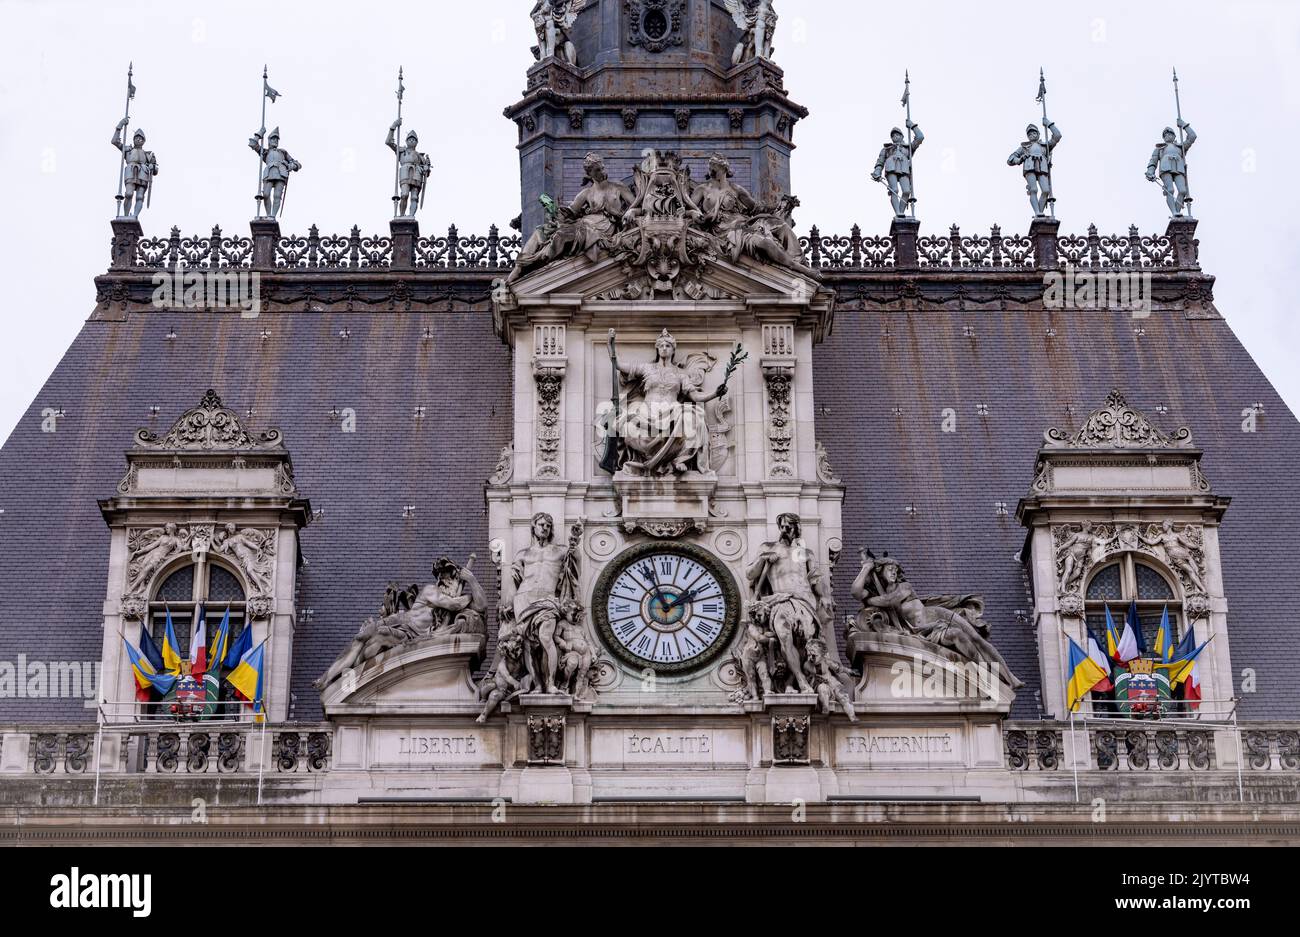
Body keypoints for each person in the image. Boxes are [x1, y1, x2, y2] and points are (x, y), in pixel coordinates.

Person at [1007, 121, 1061, 216]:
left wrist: (1049, 124)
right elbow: (1010, 159)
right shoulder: (1024, 147)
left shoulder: (1045, 146)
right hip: (1029, 166)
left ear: (1038, 134)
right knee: (1033, 189)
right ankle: (1037, 212)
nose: (1032, 135)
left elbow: (1057, 136)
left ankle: (1039, 213)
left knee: (1046, 191)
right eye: (1030, 134)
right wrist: (1019, 159)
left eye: (1034, 133)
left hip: (1042, 167)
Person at [1145, 121, 1196, 217]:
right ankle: (1174, 212)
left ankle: (1177, 212)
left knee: (1182, 191)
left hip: (1179, 168)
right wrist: (1150, 171)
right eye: (1165, 135)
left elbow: (1192, 137)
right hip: (1166, 168)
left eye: (1170, 134)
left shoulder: (1181, 147)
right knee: (1170, 190)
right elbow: (1153, 161)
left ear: (1174, 136)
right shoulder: (1160, 148)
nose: (1168, 136)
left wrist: (1184, 125)